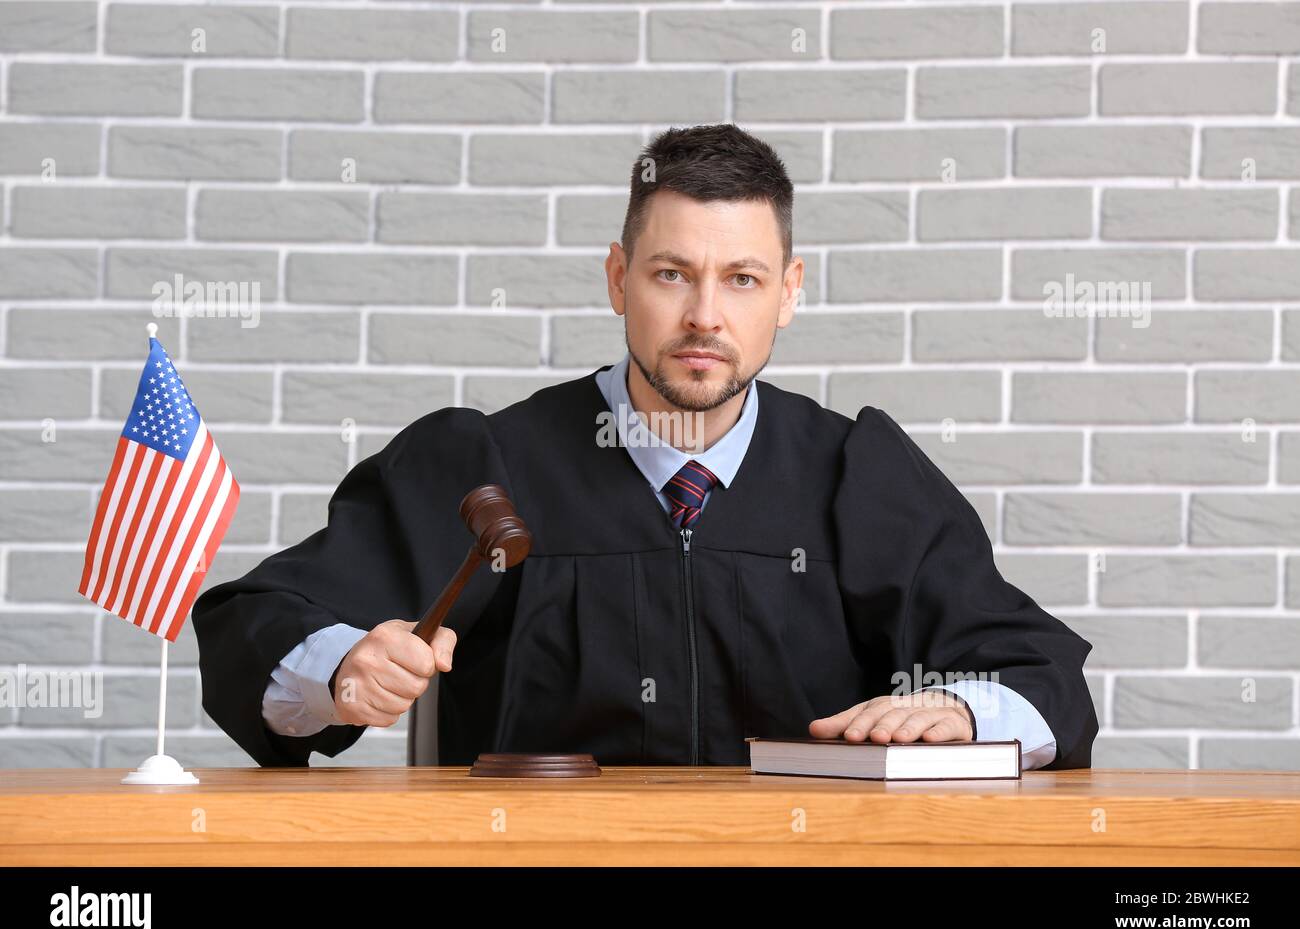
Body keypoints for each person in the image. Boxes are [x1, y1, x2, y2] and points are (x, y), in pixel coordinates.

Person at [193, 123, 1097, 770]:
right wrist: (341, 667)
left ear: (787, 293)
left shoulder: (854, 480)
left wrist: (954, 709)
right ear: (619, 280)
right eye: (672, 274)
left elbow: (1039, 676)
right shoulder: (488, 470)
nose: (706, 315)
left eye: (741, 279)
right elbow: (259, 622)